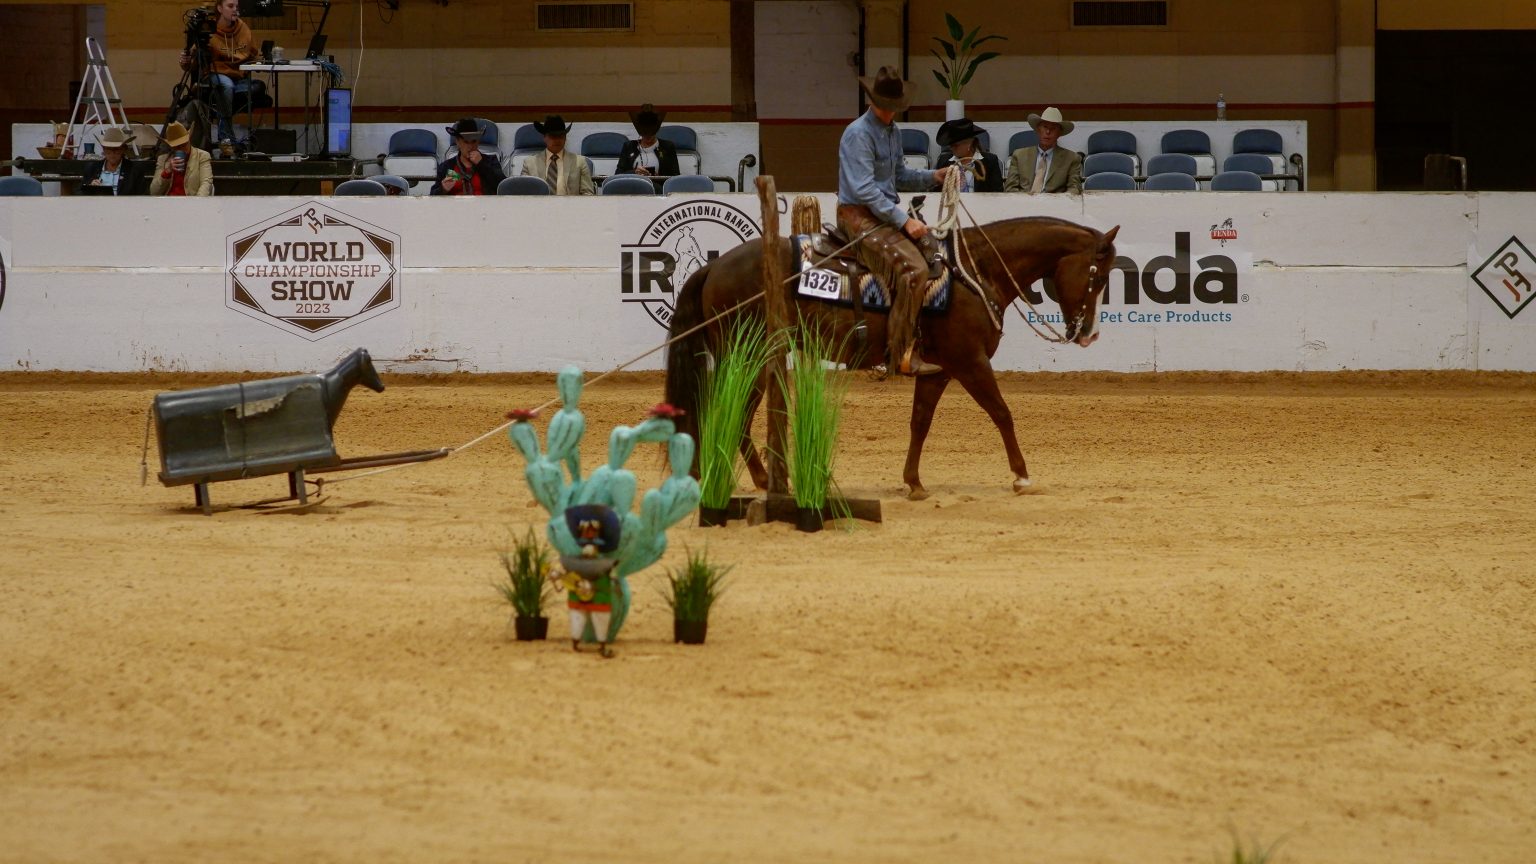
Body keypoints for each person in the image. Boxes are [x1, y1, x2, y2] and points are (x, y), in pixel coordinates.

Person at [837, 66, 953, 376]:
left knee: (935, 255)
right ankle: (900, 352)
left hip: (881, 214)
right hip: (857, 216)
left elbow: (899, 175)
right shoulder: (858, 134)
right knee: (915, 270)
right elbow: (863, 189)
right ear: (873, 101)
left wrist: (934, 176)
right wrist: (903, 221)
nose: (890, 112)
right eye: (886, 106)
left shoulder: (892, 132)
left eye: (894, 106)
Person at [179, 0, 256, 148]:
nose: (235, 9)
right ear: (220, 8)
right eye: (230, 6)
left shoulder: (243, 28)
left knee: (257, 87)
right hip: (214, 73)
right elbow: (192, 63)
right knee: (226, 85)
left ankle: (234, 136)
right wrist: (185, 60)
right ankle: (226, 139)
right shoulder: (208, 29)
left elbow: (252, 53)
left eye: (237, 6)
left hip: (237, 75)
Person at [1004, 107, 1084, 195]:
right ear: (1038, 130)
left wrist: (1061, 200)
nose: (1048, 132)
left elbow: (1074, 188)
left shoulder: (1071, 159)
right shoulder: (1019, 155)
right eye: (1045, 127)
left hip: (1055, 202)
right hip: (1024, 201)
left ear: (1059, 133)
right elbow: (1010, 188)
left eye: (1053, 128)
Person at [520, 115, 595, 196]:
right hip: (538, 204)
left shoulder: (580, 162)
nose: (557, 140)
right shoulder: (529, 163)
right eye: (553, 136)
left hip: (570, 204)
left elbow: (588, 194)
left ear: (565, 138)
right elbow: (523, 194)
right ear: (544, 137)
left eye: (560, 136)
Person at [432, 118, 506, 196]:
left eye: (473, 141)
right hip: (455, 204)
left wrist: (481, 164)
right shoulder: (447, 166)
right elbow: (432, 196)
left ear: (478, 141)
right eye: (466, 142)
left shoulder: (490, 161)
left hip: (485, 203)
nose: (470, 146)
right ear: (457, 142)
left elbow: (502, 187)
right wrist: (442, 190)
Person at [933, 118, 1003, 193]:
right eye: (950, 145)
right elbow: (936, 191)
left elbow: (997, 191)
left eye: (955, 145)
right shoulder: (944, 161)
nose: (951, 148)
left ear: (969, 144)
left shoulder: (989, 161)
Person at [149, 122, 214, 197]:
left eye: (184, 145)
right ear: (171, 147)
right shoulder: (163, 159)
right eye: (177, 147)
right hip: (168, 202)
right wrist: (167, 171)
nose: (181, 149)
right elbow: (154, 192)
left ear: (189, 140)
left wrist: (196, 202)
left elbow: (206, 183)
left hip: (192, 201)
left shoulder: (202, 156)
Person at [616, 103, 680, 178]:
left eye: (651, 134)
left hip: (657, 184)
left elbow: (675, 175)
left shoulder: (667, 147)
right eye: (645, 134)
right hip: (632, 184)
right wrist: (634, 172)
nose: (648, 137)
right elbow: (618, 174)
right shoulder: (629, 146)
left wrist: (658, 177)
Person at [80, 127, 147, 196]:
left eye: (116, 149)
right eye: (108, 149)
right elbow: (80, 193)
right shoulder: (92, 168)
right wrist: (91, 189)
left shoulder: (134, 170)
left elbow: (142, 196)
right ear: (103, 149)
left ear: (123, 149)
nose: (112, 153)